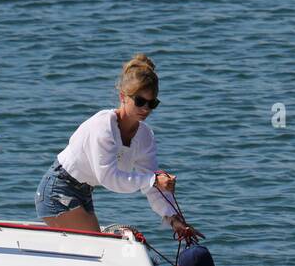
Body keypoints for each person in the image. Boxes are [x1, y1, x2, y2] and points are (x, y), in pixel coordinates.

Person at [36, 54, 197, 240]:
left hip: (83, 193)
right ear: (123, 96)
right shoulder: (103, 127)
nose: (146, 108)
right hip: (57, 190)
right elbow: (110, 179)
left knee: (93, 249)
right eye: (140, 101)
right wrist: (153, 180)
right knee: (94, 246)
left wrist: (174, 220)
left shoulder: (145, 136)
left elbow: (152, 185)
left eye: (152, 103)